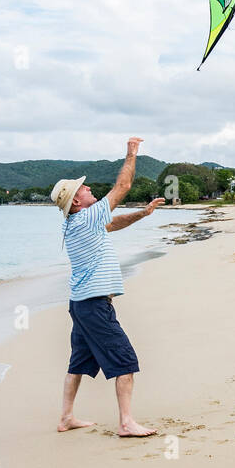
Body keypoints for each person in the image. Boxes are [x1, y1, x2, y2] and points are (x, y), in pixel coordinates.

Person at [50, 137, 165, 436]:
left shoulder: (78, 221)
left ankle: (66, 418)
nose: (88, 188)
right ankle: (126, 423)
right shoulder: (86, 218)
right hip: (94, 305)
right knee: (125, 360)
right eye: (83, 189)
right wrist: (131, 154)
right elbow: (123, 187)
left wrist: (143, 213)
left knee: (77, 364)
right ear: (76, 201)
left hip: (81, 304)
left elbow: (112, 224)